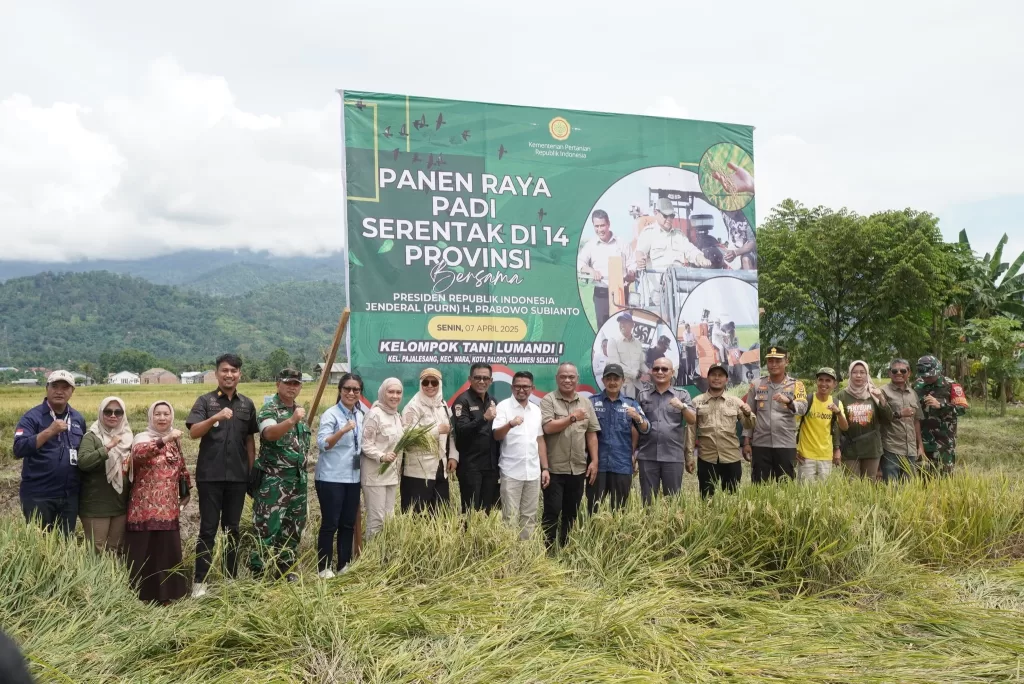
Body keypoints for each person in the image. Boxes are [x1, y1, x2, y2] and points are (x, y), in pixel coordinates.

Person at [186, 353, 259, 598]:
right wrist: (215, 417)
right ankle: (200, 582)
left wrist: (251, 471)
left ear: (240, 374)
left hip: (238, 477)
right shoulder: (205, 402)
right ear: (217, 373)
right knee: (207, 529)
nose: (229, 375)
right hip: (210, 476)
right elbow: (194, 432)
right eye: (225, 370)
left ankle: (230, 579)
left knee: (232, 529)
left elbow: (249, 440)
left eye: (234, 371)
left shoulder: (247, 404)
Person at [125, 401, 190, 604]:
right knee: (144, 552)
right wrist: (164, 439)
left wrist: (186, 487)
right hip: (144, 508)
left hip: (168, 508)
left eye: (166, 414)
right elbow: (139, 454)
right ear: (151, 417)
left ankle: (168, 596)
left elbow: (180, 465)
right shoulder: (142, 438)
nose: (162, 418)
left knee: (166, 553)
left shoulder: (175, 442)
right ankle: (141, 597)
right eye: (158, 414)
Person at [250, 369, 310, 581]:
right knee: (267, 528)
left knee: (293, 528)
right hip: (274, 482)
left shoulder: (300, 411)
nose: (292, 387)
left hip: (298, 482)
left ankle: (286, 570)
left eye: (296, 383)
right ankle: (260, 574)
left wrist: (296, 417)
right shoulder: (270, 410)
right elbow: (269, 433)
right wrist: (292, 420)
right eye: (288, 383)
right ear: (278, 384)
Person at [13, 370, 86, 535]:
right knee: (40, 544)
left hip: (69, 496)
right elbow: (18, 449)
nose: (59, 391)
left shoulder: (77, 419)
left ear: (72, 391)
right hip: (39, 495)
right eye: (55, 386)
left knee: (65, 545)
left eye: (65, 387)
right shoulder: (32, 417)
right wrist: (49, 432)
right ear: (47, 388)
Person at [540, 363, 600, 547]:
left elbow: (591, 433)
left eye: (571, 377)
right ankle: (547, 549)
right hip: (555, 469)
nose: (567, 380)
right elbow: (548, 427)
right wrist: (572, 417)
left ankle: (565, 547)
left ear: (577, 380)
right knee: (552, 510)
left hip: (578, 467)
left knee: (571, 511)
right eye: (563, 376)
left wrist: (595, 460)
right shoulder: (548, 400)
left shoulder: (585, 403)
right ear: (557, 378)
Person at [315, 373, 364, 578]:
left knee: (347, 522)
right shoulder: (331, 414)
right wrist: (342, 431)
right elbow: (323, 444)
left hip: (353, 478)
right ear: (340, 390)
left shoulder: (360, 414)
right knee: (330, 523)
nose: (351, 393)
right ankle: (324, 567)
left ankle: (343, 564)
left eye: (356, 390)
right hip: (331, 478)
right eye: (347, 389)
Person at [686, 363, 756, 497]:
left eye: (720, 375)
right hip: (706, 458)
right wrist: (689, 457)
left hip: (731, 457)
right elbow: (691, 432)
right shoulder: (697, 402)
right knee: (706, 499)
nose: (716, 378)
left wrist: (748, 413)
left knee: (731, 497)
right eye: (713, 375)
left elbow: (749, 425)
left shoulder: (735, 402)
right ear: (708, 378)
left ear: (726, 379)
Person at [493, 371, 548, 539]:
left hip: (532, 472)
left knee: (530, 518)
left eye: (525, 386)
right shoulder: (503, 407)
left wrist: (545, 468)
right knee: (509, 517)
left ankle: (526, 557)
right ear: (512, 387)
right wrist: (510, 424)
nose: (521, 390)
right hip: (511, 472)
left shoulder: (536, 410)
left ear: (532, 388)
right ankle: (509, 558)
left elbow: (539, 440)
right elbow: (496, 435)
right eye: (517, 386)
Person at [743, 346, 807, 483]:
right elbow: (749, 415)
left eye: (778, 361)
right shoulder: (756, 384)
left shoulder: (796, 385)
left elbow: (803, 408)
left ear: (787, 362)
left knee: (785, 485)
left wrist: (790, 402)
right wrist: (746, 442)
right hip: (761, 444)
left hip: (785, 444)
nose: (774, 365)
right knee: (759, 487)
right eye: (770, 361)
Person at [77, 396, 133, 554]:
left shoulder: (129, 439)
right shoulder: (92, 437)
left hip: (120, 506)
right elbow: (83, 462)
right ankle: (94, 580)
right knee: (97, 551)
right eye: (108, 411)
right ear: (100, 413)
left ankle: (114, 579)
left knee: (114, 550)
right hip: (96, 506)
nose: (113, 415)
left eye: (118, 412)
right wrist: (108, 447)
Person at [590, 364, 649, 509]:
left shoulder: (631, 404)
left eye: (616, 379)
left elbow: (646, 428)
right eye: (608, 378)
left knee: (619, 509)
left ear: (623, 381)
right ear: (603, 381)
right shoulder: (591, 402)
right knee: (593, 509)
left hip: (622, 465)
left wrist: (638, 418)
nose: (612, 382)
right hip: (598, 466)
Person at [634, 198, 713, 307]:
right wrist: (640, 260)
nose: (669, 219)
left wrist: (700, 258)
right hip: (657, 293)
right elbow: (640, 252)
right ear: (656, 213)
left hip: (679, 289)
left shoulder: (679, 235)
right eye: (665, 216)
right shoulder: (648, 233)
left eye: (672, 215)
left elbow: (691, 250)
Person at [636, 358, 695, 502]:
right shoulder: (642, 395)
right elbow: (636, 427)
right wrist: (634, 453)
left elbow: (692, 419)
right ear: (651, 372)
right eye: (656, 369)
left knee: (673, 501)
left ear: (672, 372)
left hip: (673, 456)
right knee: (648, 502)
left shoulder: (682, 395)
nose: (660, 372)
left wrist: (682, 407)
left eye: (664, 369)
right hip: (647, 456)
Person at [401, 368, 456, 513]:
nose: (430, 386)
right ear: (420, 384)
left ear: (440, 384)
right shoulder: (412, 407)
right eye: (426, 382)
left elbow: (451, 433)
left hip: (440, 469)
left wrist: (452, 457)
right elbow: (407, 436)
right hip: (418, 472)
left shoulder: (443, 405)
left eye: (434, 382)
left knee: (441, 515)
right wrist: (436, 430)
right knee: (417, 517)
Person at [452, 363, 499, 513]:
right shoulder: (462, 401)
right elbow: (461, 430)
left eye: (485, 378)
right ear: (469, 379)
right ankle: (467, 537)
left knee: (486, 512)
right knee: (470, 511)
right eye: (477, 377)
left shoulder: (492, 401)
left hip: (490, 466)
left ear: (491, 380)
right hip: (471, 467)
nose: (481, 381)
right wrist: (483, 418)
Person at [577, 209, 634, 328]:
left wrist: (631, 272)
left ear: (608, 224)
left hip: (621, 291)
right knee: (603, 328)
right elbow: (580, 262)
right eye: (596, 226)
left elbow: (632, 263)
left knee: (623, 327)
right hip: (601, 292)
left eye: (602, 225)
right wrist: (591, 271)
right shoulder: (590, 245)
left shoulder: (622, 243)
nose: (600, 230)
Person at [361, 377, 404, 538]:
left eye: (398, 392)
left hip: (391, 475)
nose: (395, 396)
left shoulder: (396, 416)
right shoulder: (374, 414)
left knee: (389, 518)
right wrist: (381, 456)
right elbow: (365, 444)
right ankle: (371, 557)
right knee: (376, 520)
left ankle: (383, 555)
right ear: (382, 393)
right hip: (374, 476)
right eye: (390, 391)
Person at [835, 360, 891, 480]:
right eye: (855, 372)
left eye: (862, 372)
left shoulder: (874, 394)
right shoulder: (842, 396)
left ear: (867, 375)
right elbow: (836, 424)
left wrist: (881, 398)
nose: (858, 375)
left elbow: (888, 418)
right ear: (850, 374)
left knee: (869, 483)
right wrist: (836, 448)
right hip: (850, 448)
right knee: (851, 484)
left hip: (872, 447)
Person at [913, 355, 968, 476]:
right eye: (923, 375)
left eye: (929, 375)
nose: (926, 378)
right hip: (921, 440)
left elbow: (962, 409)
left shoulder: (952, 386)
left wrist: (941, 405)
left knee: (944, 476)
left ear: (938, 371)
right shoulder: (917, 385)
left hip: (943, 441)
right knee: (921, 477)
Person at [795, 368, 848, 483]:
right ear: (816, 382)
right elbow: (791, 424)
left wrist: (838, 412)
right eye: (820, 380)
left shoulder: (836, 403)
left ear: (834, 384)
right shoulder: (807, 400)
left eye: (828, 380)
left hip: (826, 457)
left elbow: (844, 427)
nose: (823, 384)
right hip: (806, 457)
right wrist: (793, 450)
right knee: (804, 494)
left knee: (824, 495)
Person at [880, 359, 925, 482]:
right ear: (889, 373)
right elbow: (880, 418)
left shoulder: (913, 393)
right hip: (891, 447)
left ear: (909, 373)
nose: (899, 373)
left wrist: (920, 446)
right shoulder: (882, 392)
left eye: (903, 370)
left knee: (909, 487)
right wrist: (899, 414)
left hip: (910, 449)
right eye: (895, 370)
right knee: (890, 486)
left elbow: (916, 421)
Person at [606, 313, 647, 399]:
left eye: (625, 322)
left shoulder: (638, 343)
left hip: (638, 387)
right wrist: (637, 375)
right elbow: (615, 365)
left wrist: (649, 372)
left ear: (632, 325)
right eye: (620, 322)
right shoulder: (613, 341)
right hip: (621, 387)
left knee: (638, 411)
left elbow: (641, 364)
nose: (622, 325)